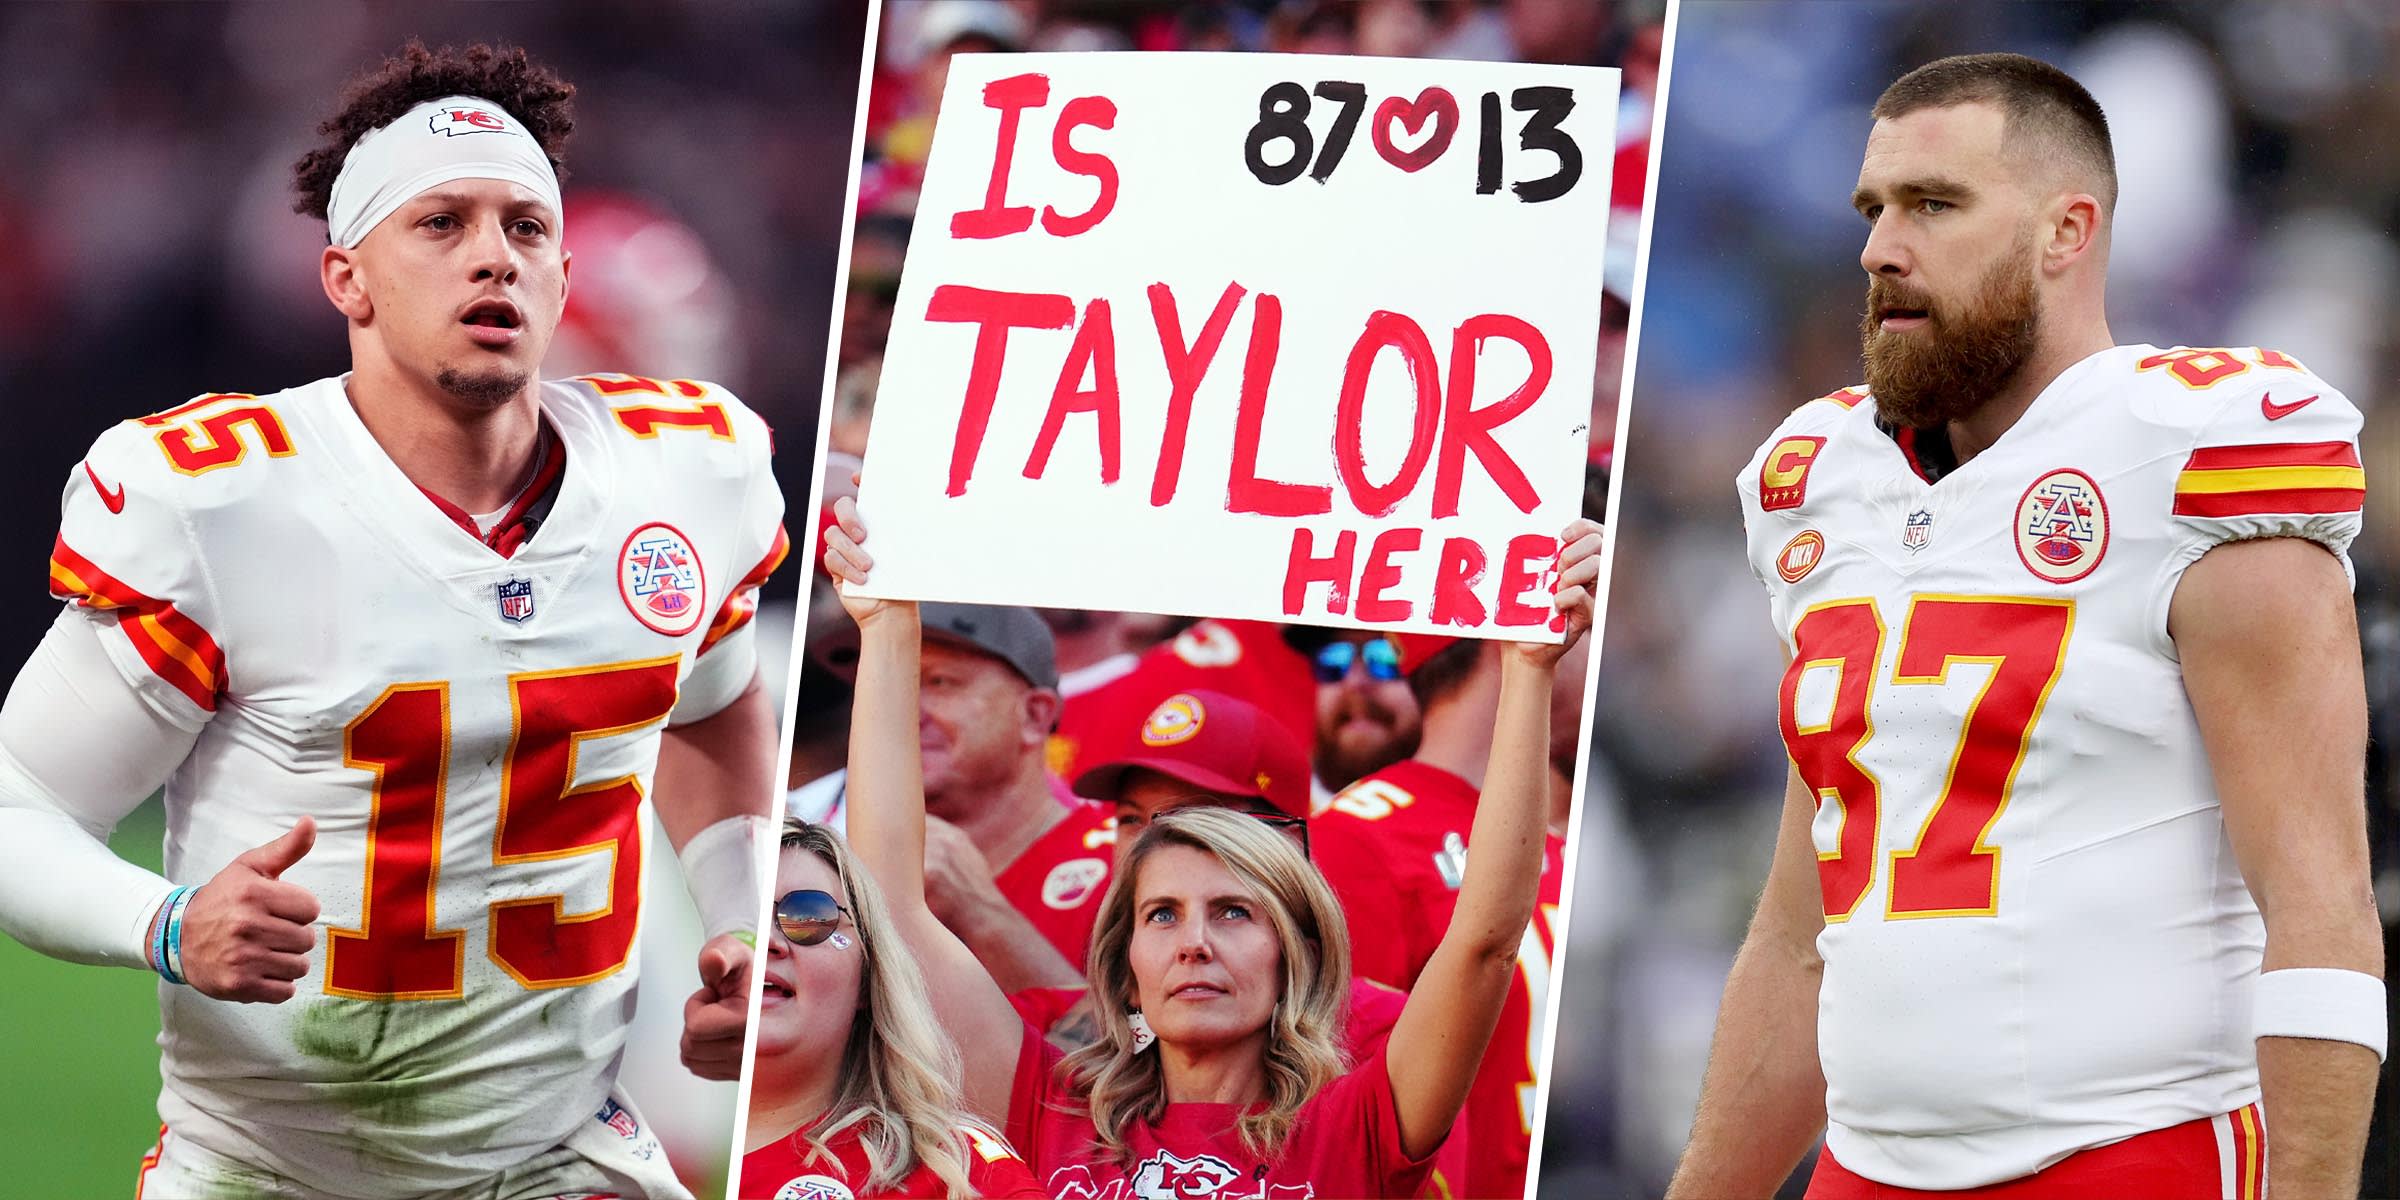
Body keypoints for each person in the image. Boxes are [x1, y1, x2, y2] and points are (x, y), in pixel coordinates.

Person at [0, 43, 786, 1198]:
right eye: (440, 223)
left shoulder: (689, 472)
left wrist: (735, 919)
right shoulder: (224, 503)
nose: (491, 257)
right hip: (276, 1172)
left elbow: (714, 716)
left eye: (524, 228)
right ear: (345, 279)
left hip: (563, 1158)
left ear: (563, 279)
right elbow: (19, 810)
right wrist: (166, 925)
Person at [1673, 53, 2381, 1199]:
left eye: (1934, 204)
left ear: (2068, 231)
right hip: (1867, 1167)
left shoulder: (2201, 450)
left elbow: (2321, 908)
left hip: (2137, 1154)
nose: (1879, 248)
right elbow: (1807, 933)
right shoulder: (1823, 476)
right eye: (1874, 208)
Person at [824, 496, 1601, 1198]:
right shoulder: (1049, 1103)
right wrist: (888, 626)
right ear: (1124, 956)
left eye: (1231, 912)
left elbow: (1485, 942)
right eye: (1161, 915)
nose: (1194, 943)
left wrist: (1528, 669)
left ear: (1295, 942)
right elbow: (887, 901)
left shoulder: (1350, 1126)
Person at [1311, 628, 1588, 1200]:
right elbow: (1339, 1127)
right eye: (1589, 623)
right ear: (1511, 640)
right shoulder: (1357, 837)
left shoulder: (1554, 842)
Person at [742, 819, 1046, 1199]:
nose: (767, 941)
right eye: (743, 917)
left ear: (867, 979)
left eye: (809, 915)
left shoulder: (951, 1171)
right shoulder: (657, 1160)